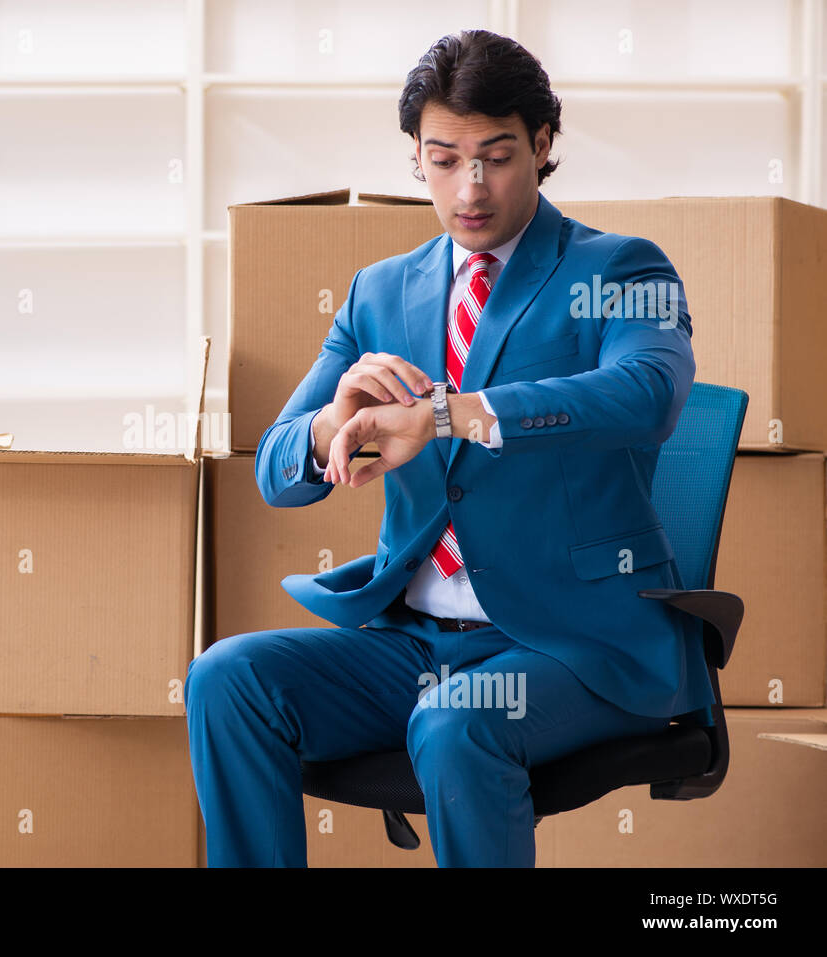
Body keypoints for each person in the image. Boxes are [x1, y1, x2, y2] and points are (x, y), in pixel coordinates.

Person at [185, 28, 713, 867]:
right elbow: (278, 471)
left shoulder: (621, 268)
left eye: (497, 156)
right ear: (416, 160)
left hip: (577, 642)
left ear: (542, 146)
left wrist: (446, 415)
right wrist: (333, 426)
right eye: (443, 158)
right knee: (227, 677)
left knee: (458, 720)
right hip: (417, 638)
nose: (470, 187)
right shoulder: (380, 291)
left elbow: (648, 395)